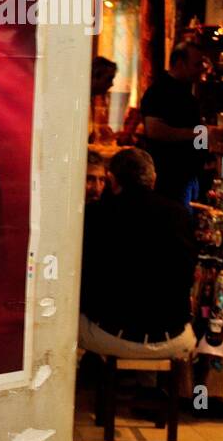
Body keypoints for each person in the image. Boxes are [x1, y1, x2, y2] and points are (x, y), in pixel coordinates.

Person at [79, 148, 196, 359]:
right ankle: (145, 383)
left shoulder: (96, 215)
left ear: (112, 180)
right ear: (153, 180)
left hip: (110, 335)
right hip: (173, 338)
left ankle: (92, 378)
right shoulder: (180, 214)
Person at [139, 41, 205, 207]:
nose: (201, 69)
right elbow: (153, 130)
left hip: (190, 175)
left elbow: (197, 129)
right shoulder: (158, 92)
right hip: (168, 175)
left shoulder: (188, 94)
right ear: (180, 63)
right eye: (197, 64)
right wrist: (200, 134)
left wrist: (205, 151)